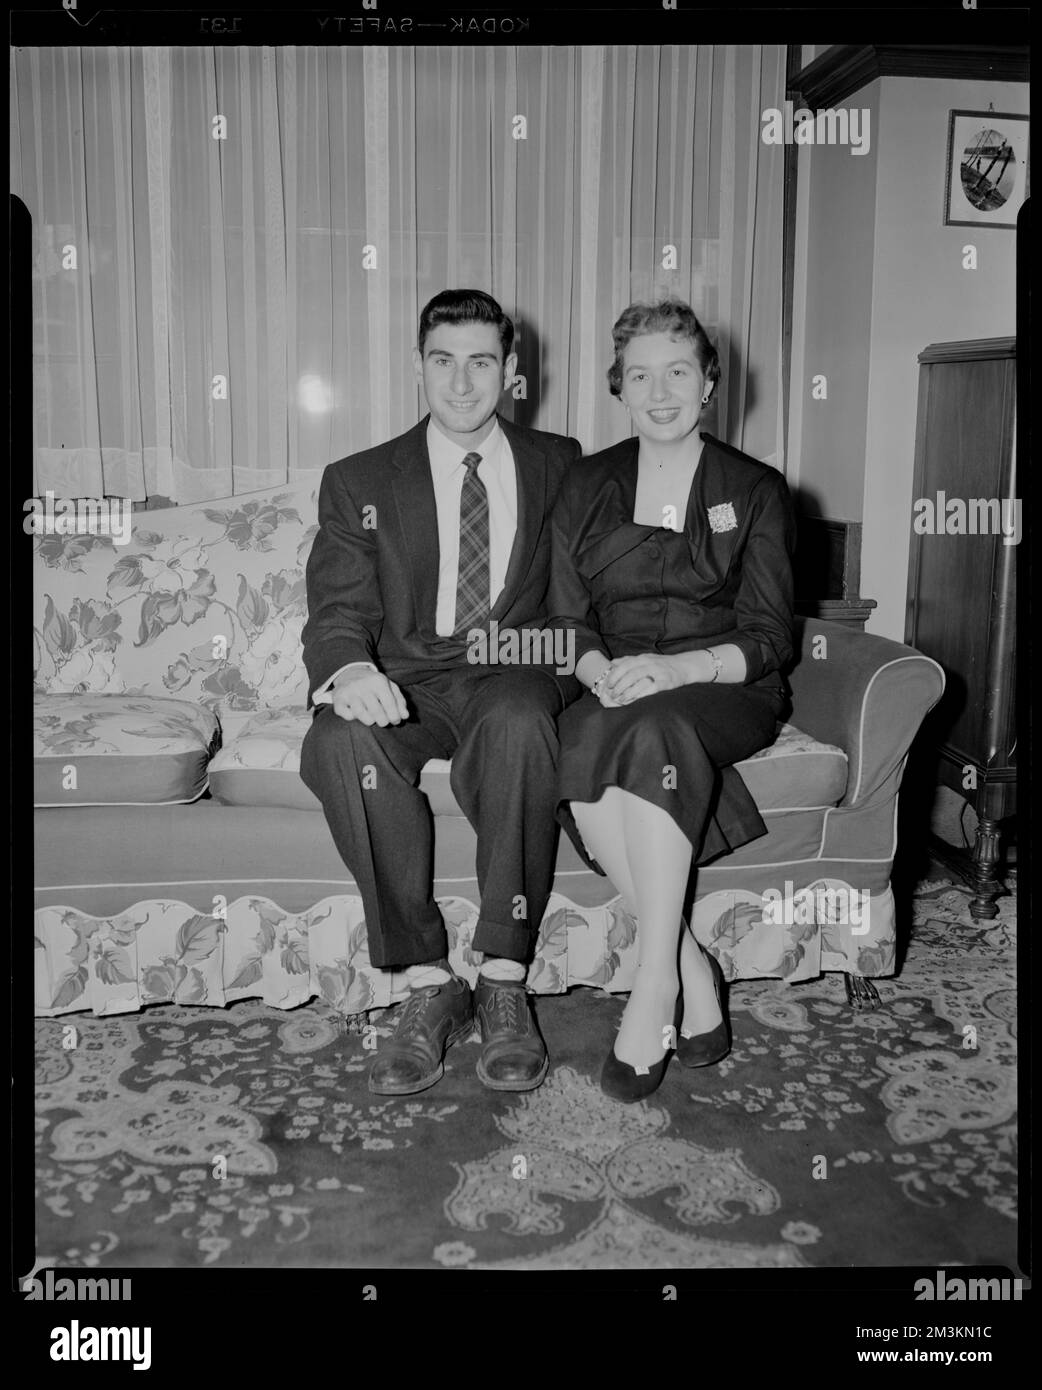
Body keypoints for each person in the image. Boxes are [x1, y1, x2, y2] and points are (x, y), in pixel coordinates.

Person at [300, 289, 581, 1097]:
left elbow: (574, 606)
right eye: (443, 361)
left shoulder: (562, 464)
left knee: (525, 717)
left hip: (511, 667)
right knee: (337, 740)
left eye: (482, 363)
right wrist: (351, 671)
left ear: (513, 372)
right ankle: (429, 981)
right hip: (405, 678)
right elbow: (338, 607)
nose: (462, 384)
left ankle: (502, 974)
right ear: (418, 366)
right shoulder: (359, 477)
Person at [547, 299, 796, 1102]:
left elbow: (768, 636)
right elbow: (562, 618)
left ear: (710, 384)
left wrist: (676, 669)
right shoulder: (584, 482)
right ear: (618, 387)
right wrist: (598, 674)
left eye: (678, 371)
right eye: (641, 374)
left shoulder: (754, 489)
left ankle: (650, 984)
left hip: (723, 686)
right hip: (612, 682)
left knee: (651, 723)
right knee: (576, 736)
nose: (661, 391)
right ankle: (687, 962)